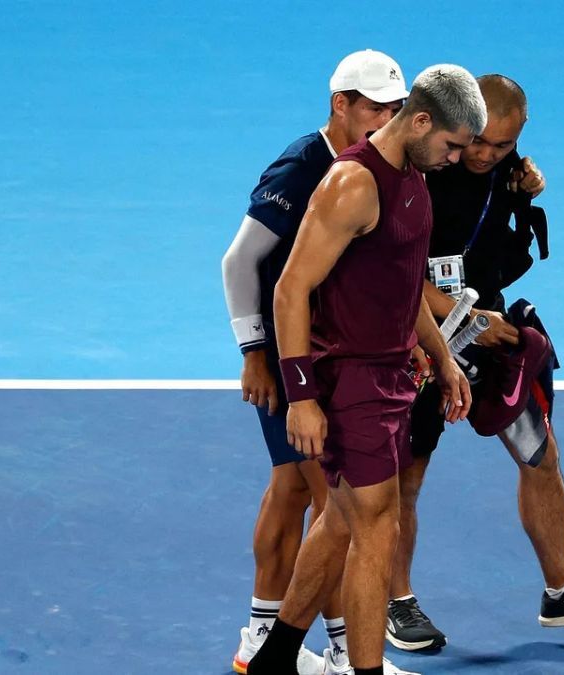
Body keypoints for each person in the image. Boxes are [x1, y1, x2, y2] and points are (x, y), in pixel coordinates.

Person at [246, 64, 485, 675]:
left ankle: (274, 658)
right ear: (423, 120)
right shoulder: (350, 183)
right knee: (377, 524)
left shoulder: (415, 177)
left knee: (341, 519)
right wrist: (300, 397)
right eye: (453, 144)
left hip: (390, 378)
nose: (457, 158)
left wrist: (442, 356)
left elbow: (408, 286)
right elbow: (289, 291)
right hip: (347, 378)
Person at [384, 74, 564, 654]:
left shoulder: (506, 166)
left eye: (502, 146)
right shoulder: (416, 171)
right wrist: (462, 318)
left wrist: (524, 188)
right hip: (421, 342)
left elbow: (499, 230)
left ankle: (561, 590)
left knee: (540, 455)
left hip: (490, 337)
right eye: (479, 144)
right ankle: (397, 602)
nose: (486, 156)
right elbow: (393, 273)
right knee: (404, 481)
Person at [220, 49, 408, 674]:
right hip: (286, 357)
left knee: (300, 492)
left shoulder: (374, 168)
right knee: (331, 503)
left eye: (394, 110)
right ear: (341, 104)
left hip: (328, 357)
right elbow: (240, 262)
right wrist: (254, 354)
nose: (384, 120)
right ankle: (313, 646)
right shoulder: (305, 167)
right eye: (374, 109)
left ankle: (271, 638)